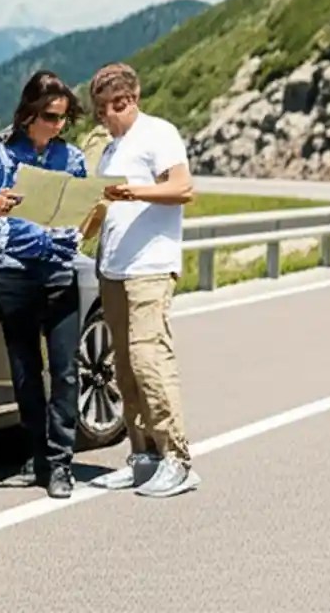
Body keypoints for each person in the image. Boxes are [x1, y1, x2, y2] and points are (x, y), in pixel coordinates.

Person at [0, 69, 96, 499]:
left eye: (62, 118)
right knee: (25, 372)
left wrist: (85, 221)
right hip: (15, 271)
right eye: (50, 117)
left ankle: (60, 463)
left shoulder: (71, 158)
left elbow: (83, 207)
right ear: (29, 114)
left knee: (65, 371)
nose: (57, 126)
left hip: (59, 268)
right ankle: (36, 455)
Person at [85, 62, 201, 498]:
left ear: (127, 101)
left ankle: (177, 458)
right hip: (113, 269)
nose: (103, 118)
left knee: (150, 359)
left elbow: (183, 188)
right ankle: (143, 456)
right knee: (125, 368)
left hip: (151, 268)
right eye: (98, 111)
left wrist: (134, 191)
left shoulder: (159, 133)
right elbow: (104, 210)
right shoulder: (112, 151)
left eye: (107, 109)